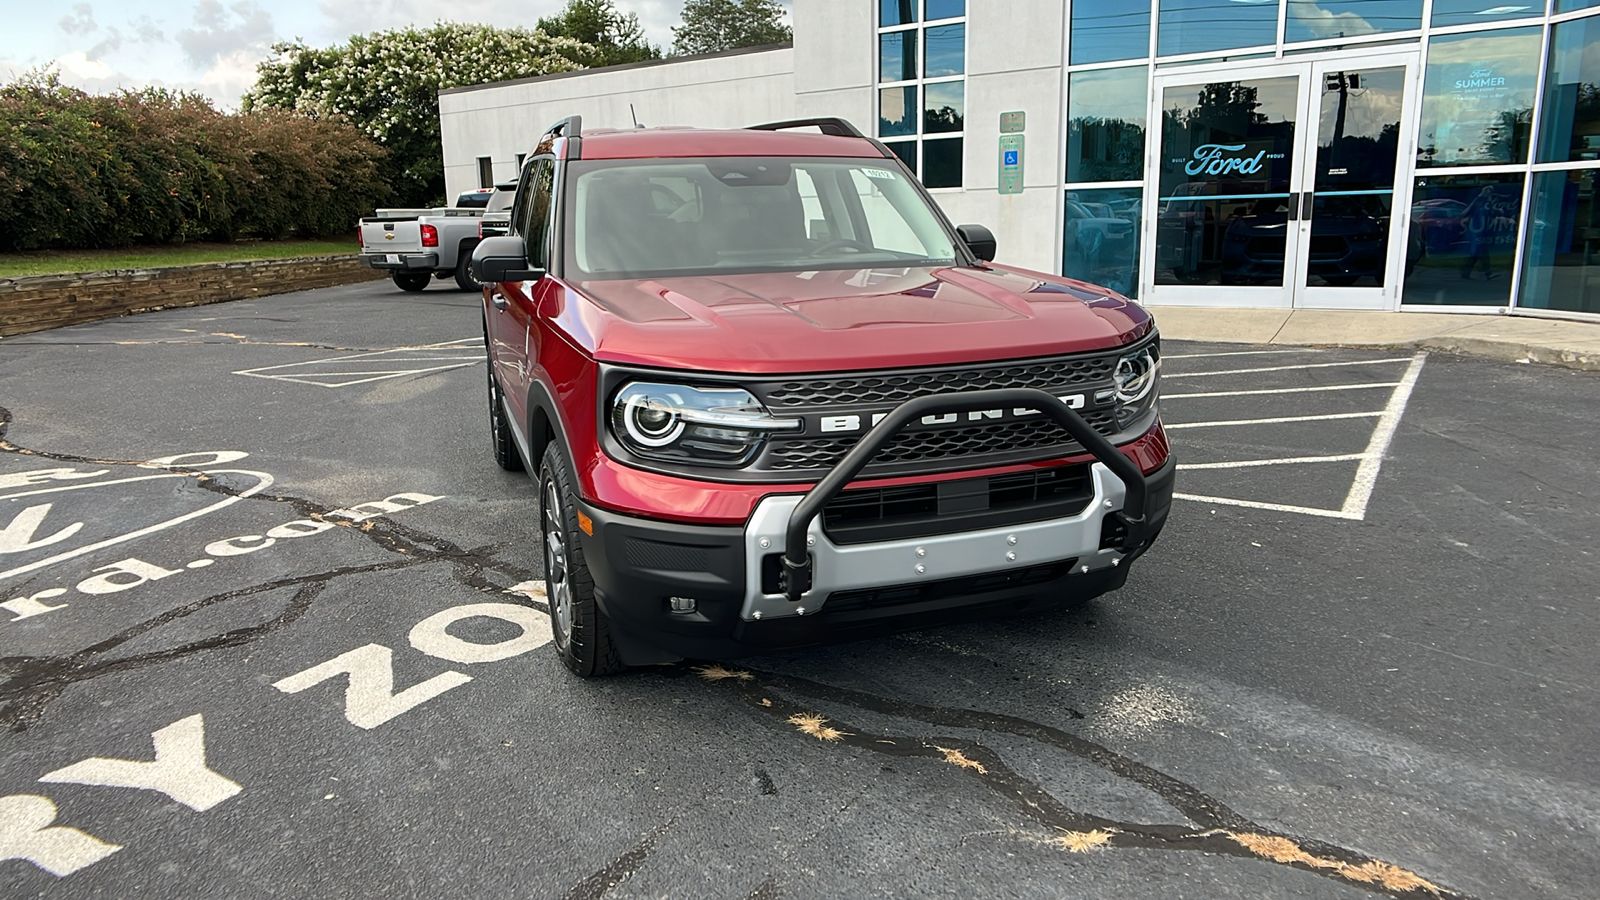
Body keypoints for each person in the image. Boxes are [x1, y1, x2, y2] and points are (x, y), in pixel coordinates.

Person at [1460, 186, 1497, 281]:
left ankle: (1466, 272)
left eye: (1490, 192)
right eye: (1487, 191)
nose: (1489, 193)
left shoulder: (1485, 202)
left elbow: (1489, 213)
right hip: (1477, 230)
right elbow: (1470, 211)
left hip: (1481, 230)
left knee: (1478, 252)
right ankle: (1486, 273)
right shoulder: (1479, 201)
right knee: (1480, 251)